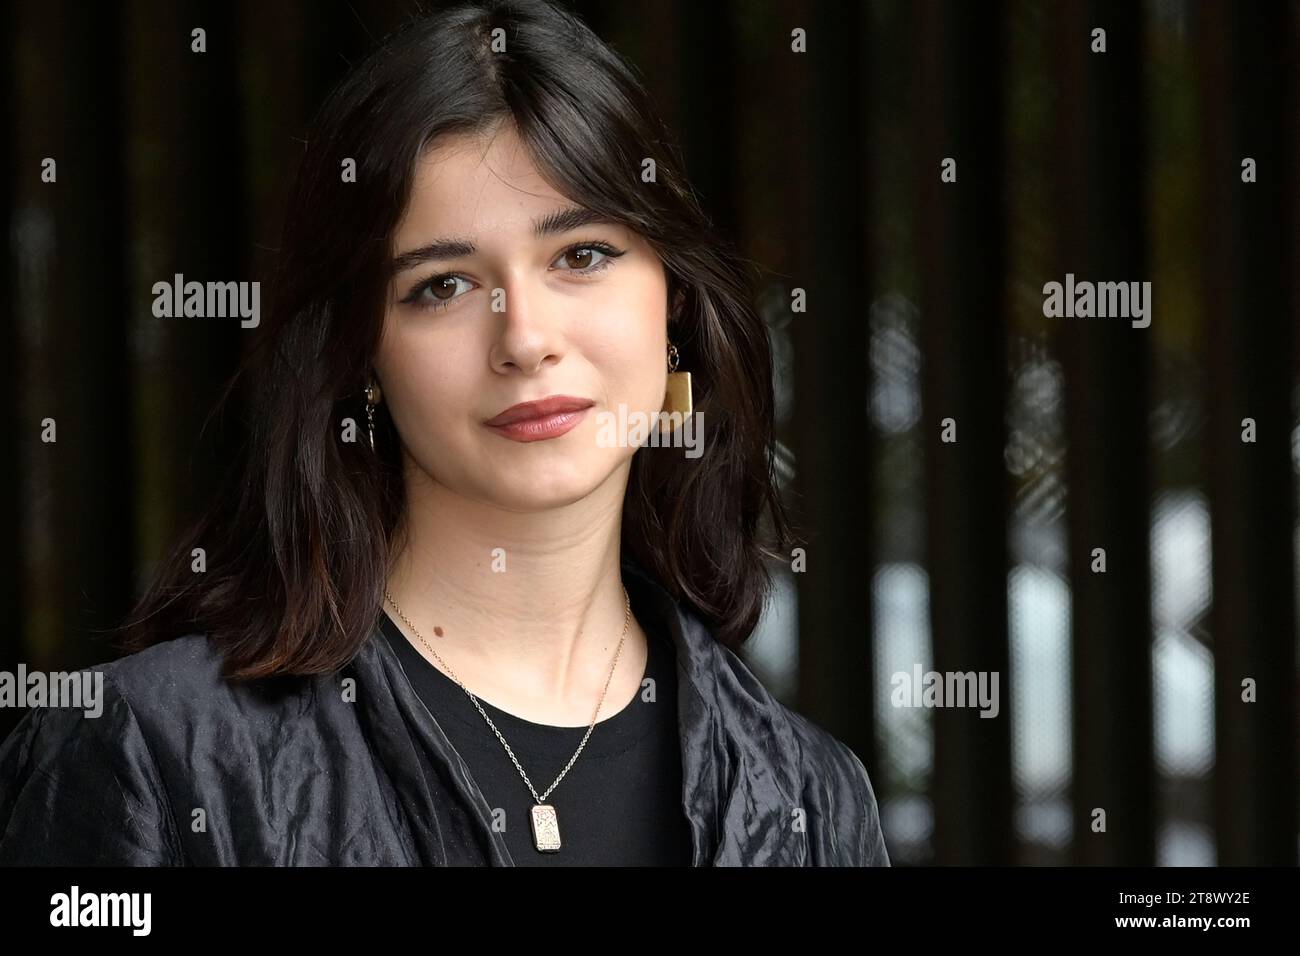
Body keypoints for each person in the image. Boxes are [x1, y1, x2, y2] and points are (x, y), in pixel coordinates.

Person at [0, 0, 888, 867]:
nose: (525, 338)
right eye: (443, 286)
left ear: (677, 306)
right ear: (361, 357)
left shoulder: (811, 796)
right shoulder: (155, 756)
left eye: (581, 256)